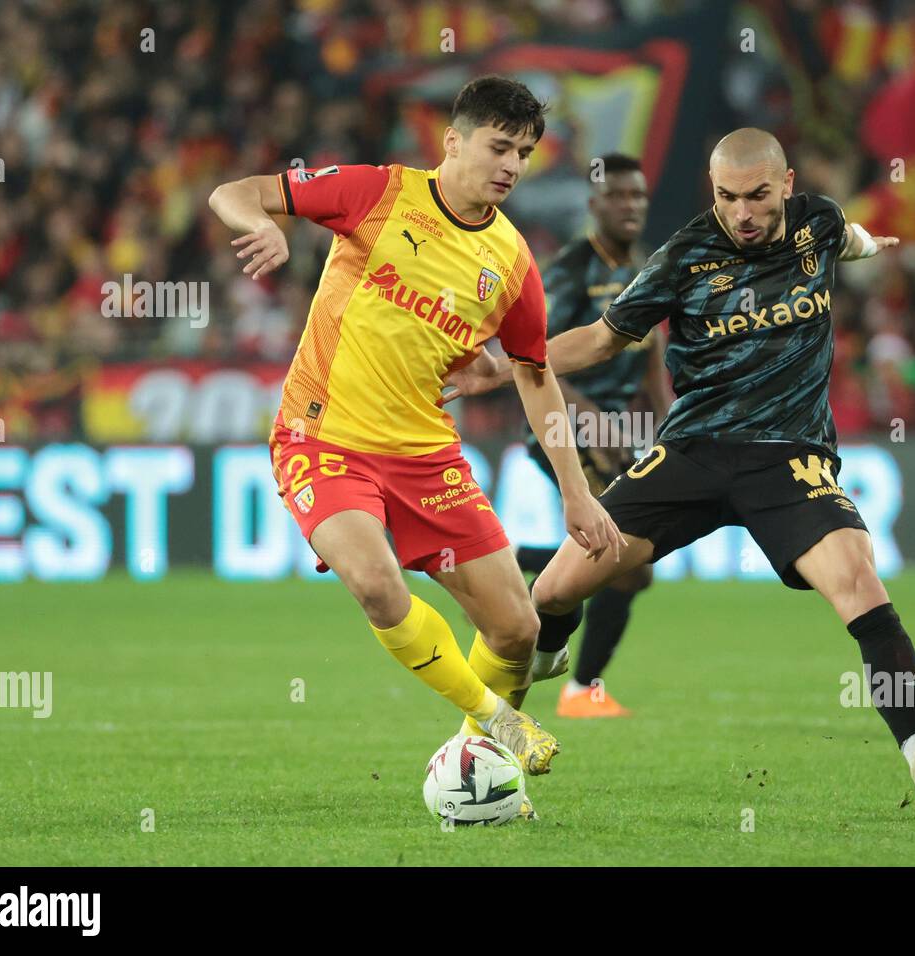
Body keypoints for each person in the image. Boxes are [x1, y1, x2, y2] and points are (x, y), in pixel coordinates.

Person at [445, 128, 915, 819]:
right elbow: (607, 336)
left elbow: (842, 235)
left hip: (789, 456)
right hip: (694, 451)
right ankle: (497, 733)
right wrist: (505, 363)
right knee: (549, 594)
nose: (743, 214)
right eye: (728, 197)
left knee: (862, 586)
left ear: (786, 185)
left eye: (758, 196)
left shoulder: (815, 222)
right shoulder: (684, 257)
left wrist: (867, 245)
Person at [208, 75, 624, 820]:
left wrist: (575, 488)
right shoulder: (374, 192)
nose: (511, 166)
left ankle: (474, 769)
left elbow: (536, 375)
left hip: (425, 454)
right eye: (499, 147)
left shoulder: (512, 261)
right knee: (374, 583)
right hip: (322, 435)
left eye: (525, 153)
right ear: (454, 141)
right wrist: (261, 222)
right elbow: (234, 191)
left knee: (518, 626)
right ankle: (497, 722)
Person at [516, 152, 672, 718]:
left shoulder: (647, 272)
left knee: (630, 567)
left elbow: (654, 367)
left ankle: (509, 562)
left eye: (639, 196)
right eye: (618, 196)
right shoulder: (569, 271)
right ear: (593, 204)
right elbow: (536, 363)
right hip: (563, 429)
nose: (630, 206)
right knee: (627, 562)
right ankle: (581, 690)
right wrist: (593, 422)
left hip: (619, 434)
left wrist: (675, 431)